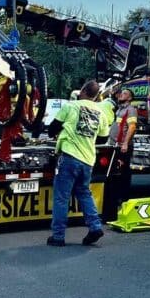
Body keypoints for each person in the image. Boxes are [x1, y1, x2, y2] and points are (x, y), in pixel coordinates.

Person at [45, 79, 110, 246]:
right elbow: (103, 137)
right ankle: (95, 226)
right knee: (84, 193)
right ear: (96, 96)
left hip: (69, 157)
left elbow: (52, 128)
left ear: (82, 91)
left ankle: (58, 236)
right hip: (88, 160)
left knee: (61, 197)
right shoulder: (100, 112)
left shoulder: (70, 106)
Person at [109, 88, 138, 209]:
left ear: (130, 98)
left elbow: (132, 127)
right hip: (114, 145)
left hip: (122, 146)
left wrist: (125, 143)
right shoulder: (120, 109)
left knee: (123, 173)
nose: (122, 94)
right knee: (115, 172)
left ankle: (124, 199)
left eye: (125, 93)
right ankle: (116, 197)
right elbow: (114, 94)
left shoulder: (130, 110)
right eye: (121, 93)